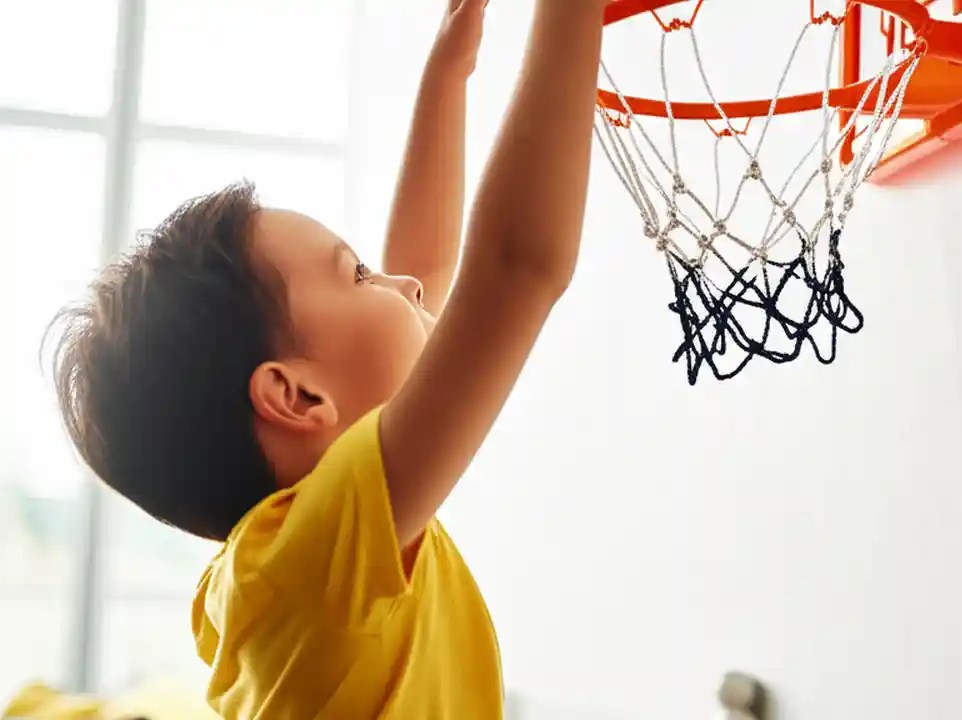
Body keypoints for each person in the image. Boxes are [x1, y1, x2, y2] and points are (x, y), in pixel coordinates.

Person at [46, 0, 610, 715]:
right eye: (358, 276)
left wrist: (448, 72)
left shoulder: (279, 568)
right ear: (297, 398)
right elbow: (515, 271)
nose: (403, 285)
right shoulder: (312, 565)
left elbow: (426, 270)